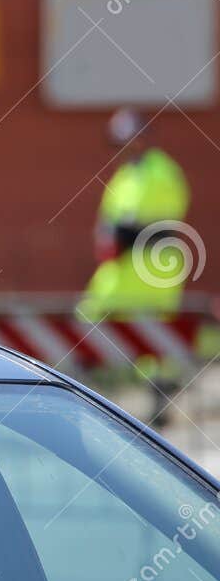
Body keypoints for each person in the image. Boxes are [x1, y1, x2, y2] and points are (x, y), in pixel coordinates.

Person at [77, 108, 191, 425]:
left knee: (153, 329)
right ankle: (92, 384)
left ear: (144, 138)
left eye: (131, 139)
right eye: (120, 142)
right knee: (90, 312)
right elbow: (110, 217)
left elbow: (155, 219)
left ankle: (159, 392)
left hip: (153, 262)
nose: (126, 147)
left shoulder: (161, 172)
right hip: (124, 264)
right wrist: (107, 235)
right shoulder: (126, 174)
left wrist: (120, 234)